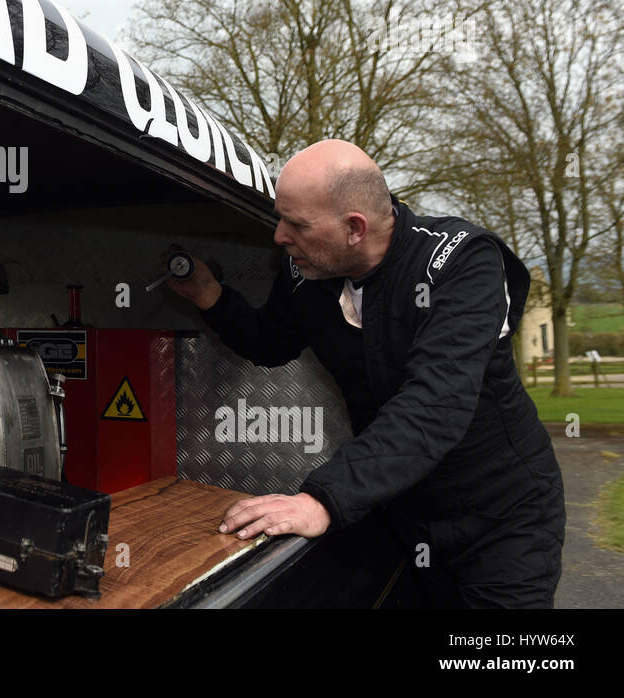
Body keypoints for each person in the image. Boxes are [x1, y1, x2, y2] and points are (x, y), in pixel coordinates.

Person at [164, 139, 565, 607]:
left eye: (296, 224)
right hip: (405, 516)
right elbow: (268, 342)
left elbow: (435, 404)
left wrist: (322, 500)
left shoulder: (459, 262)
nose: (278, 236)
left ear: (355, 228)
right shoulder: (306, 275)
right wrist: (209, 294)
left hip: (502, 519)